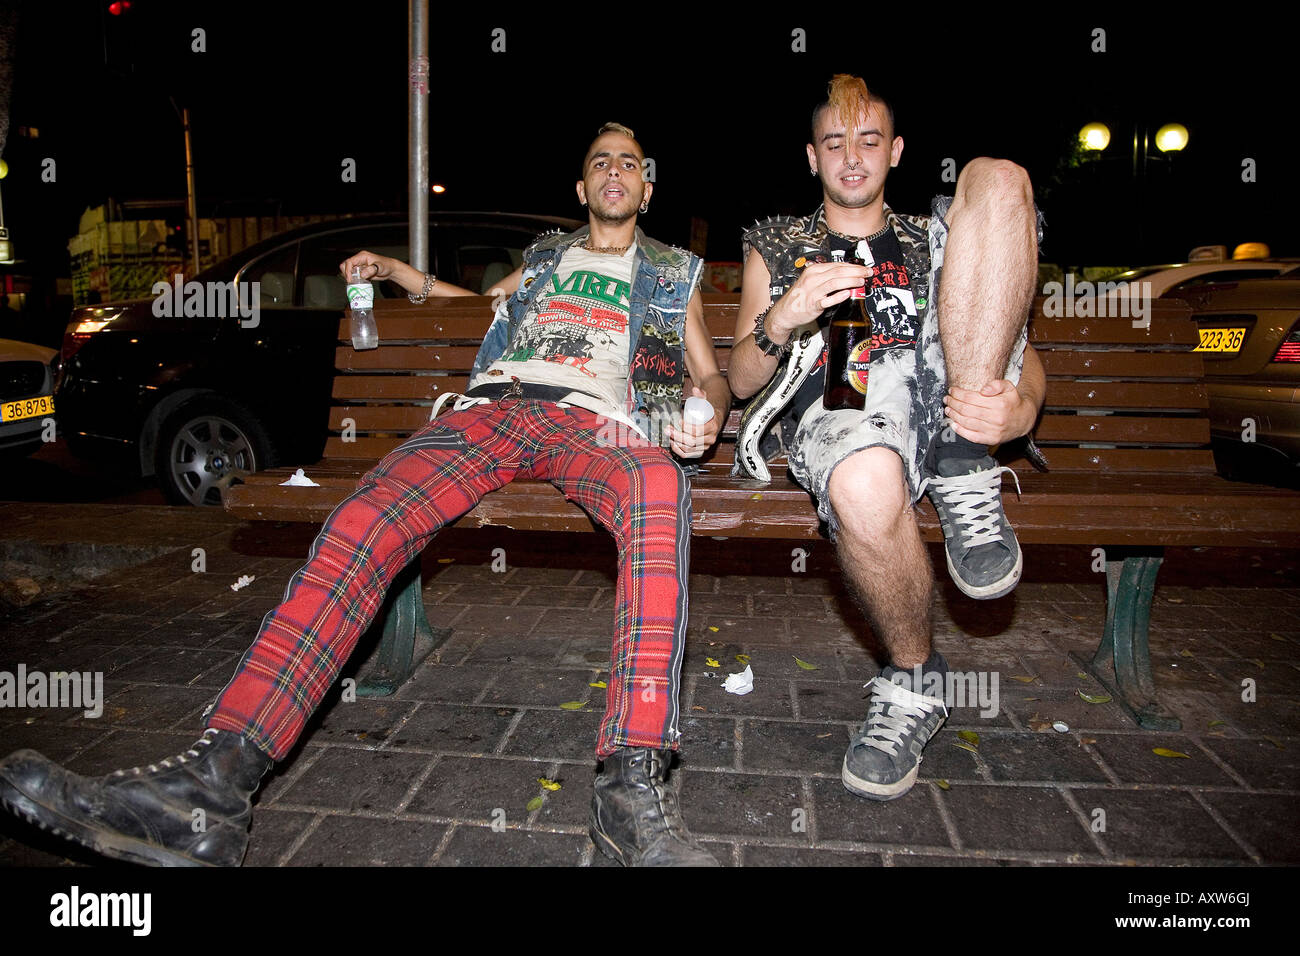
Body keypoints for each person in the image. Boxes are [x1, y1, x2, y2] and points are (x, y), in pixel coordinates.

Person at [0, 123, 730, 867]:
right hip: (493, 409)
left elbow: (710, 374)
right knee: (365, 516)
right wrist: (396, 271)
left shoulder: (672, 273)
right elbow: (477, 305)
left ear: (647, 186)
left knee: (659, 487)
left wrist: (705, 411)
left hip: (598, 423)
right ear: (581, 189)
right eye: (599, 161)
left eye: (629, 163)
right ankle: (213, 788)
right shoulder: (545, 256)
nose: (614, 171)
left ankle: (628, 787)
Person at [728, 76, 1046, 801]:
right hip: (849, 410)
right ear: (812, 157)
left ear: (896, 151)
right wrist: (783, 315)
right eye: (834, 144)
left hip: (951, 401)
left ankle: (967, 465)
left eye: (868, 141)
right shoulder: (778, 243)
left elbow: (1028, 361)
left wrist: (1018, 413)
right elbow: (742, 382)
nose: (851, 158)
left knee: (998, 177)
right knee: (861, 482)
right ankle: (913, 678)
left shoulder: (938, 241)